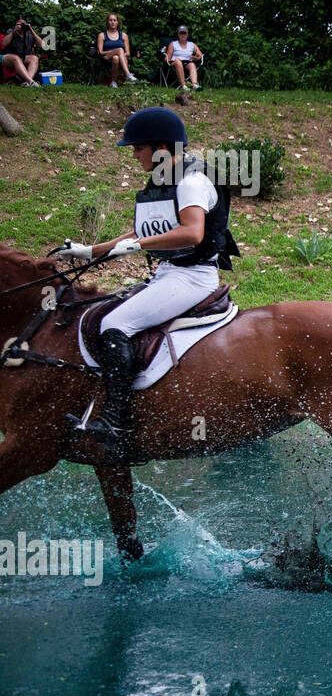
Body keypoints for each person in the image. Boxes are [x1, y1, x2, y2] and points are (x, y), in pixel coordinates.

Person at [56, 107, 237, 458]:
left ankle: (115, 424)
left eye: (137, 148)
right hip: (169, 274)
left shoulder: (191, 180)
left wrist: (136, 246)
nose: (134, 155)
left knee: (115, 324)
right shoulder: (163, 181)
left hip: (193, 277)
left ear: (159, 149)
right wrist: (87, 251)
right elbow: (142, 232)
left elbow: (192, 231)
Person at [96, 12, 139, 87]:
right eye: (110, 20)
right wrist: (114, 51)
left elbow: (128, 53)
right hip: (106, 57)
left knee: (116, 58)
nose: (112, 22)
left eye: (114, 20)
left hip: (119, 58)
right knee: (119, 49)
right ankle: (128, 74)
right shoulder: (102, 35)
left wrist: (118, 54)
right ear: (107, 22)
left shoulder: (123, 35)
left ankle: (113, 82)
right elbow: (100, 52)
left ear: (118, 22)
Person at [1, 15, 45, 87]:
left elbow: (42, 45)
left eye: (23, 24)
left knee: (34, 58)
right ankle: (31, 82)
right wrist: (14, 30)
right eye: (19, 24)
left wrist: (31, 30)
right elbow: (4, 43)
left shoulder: (29, 34)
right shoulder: (11, 31)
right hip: (8, 57)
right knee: (16, 58)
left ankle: (27, 83)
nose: (21, 26)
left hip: (24, 57)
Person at [165, 26, 203, 90]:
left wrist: (196, 58)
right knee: (178, 62)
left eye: (184, 33)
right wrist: (173, 60)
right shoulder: (173, 44)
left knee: (192, 65)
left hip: (187, 63)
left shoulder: (192, 44)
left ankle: (194, 85)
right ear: (178, 34)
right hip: (175, 63)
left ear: (187, 34)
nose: (183, 35)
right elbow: (167, 59)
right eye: (181, 33)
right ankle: (183, 86)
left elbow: (200, 55)